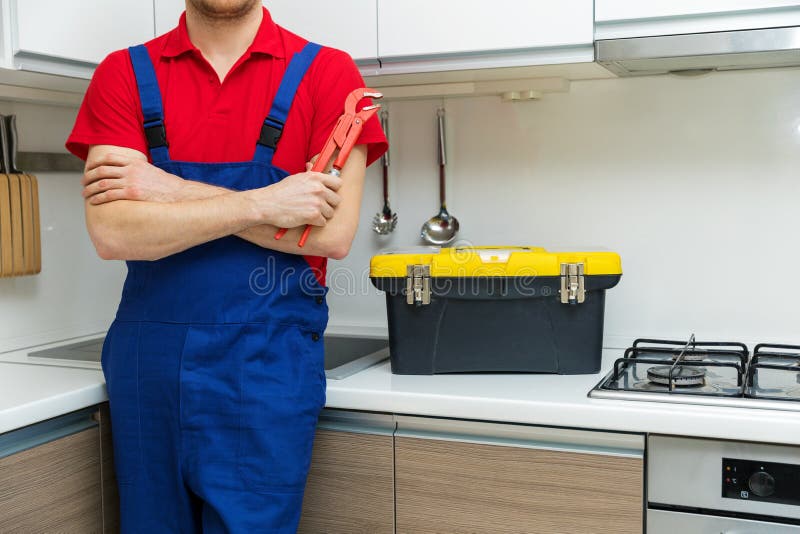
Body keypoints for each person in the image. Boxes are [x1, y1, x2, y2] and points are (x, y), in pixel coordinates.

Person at [65, 1, 387, 532]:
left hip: (267, 366)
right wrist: (263, 204)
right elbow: (113, 232)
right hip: (148, 369)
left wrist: (168, 191)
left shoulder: (328, 74)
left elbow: (330, 235)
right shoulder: (122, 74)